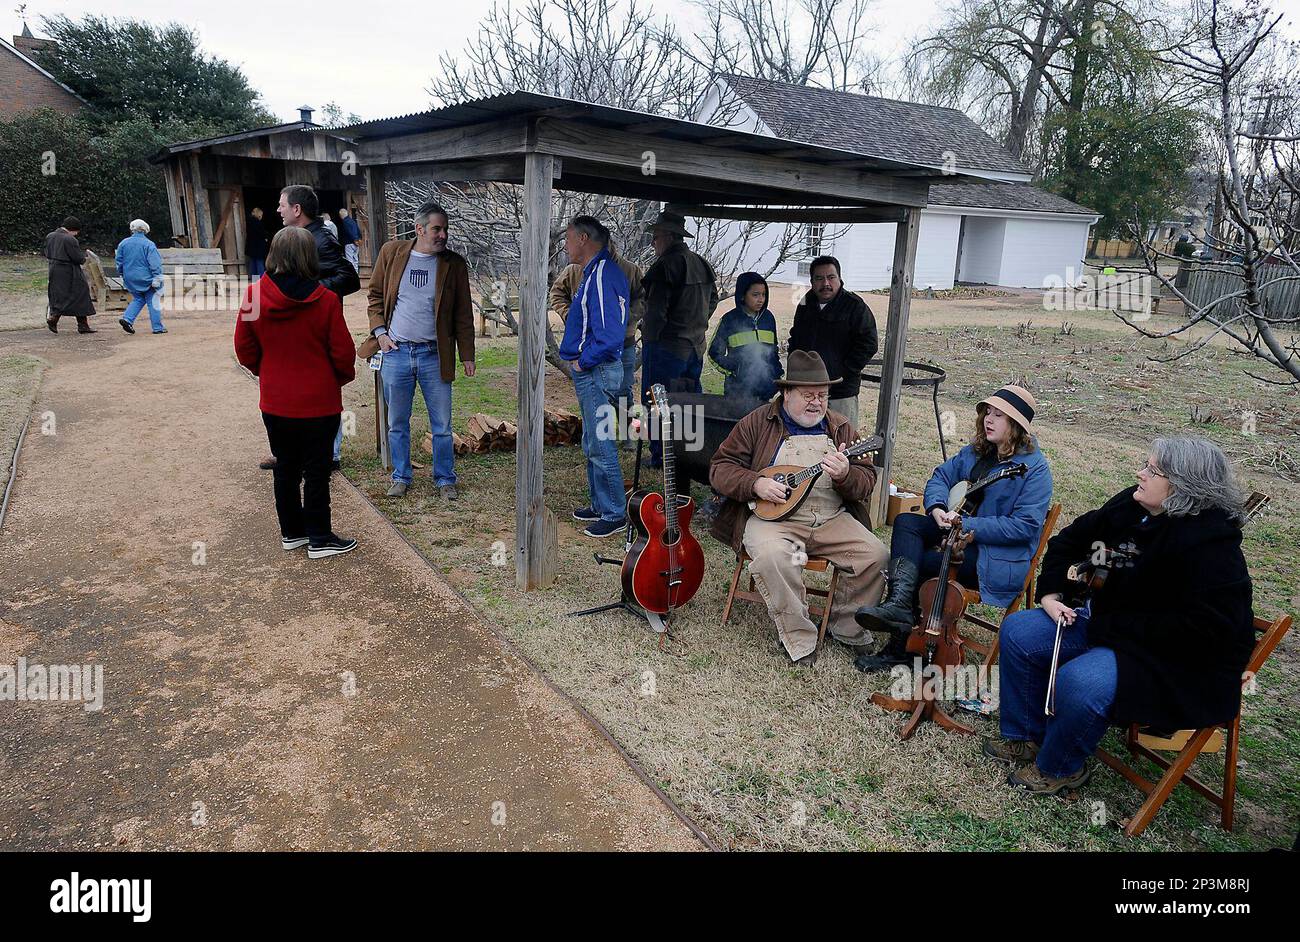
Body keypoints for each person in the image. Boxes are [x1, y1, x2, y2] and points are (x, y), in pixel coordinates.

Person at [983, 437, 1255, 796]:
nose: (1140, 474)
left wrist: (1110, 629)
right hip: (1107, 627)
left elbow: (1205, 632)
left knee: (1081, 680)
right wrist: (1051, 594)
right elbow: (1068, 540)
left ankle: (1060, 767)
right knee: (1020, 631)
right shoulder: (1133, 505)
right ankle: (1027, 736)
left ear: (1183, 486)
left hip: (1170, 661)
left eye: (1152, 470)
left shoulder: (1212, 547)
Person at [854, 385, 1053, 671]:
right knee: (907, 522)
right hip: (957, 535)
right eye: (988, 412)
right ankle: (899, 605)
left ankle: (901, 647)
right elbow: (941, 476)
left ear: (1016, 426)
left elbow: (1023, 527)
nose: (989, 419)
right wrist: (936, 507)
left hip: (992, 555)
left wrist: (965, 524)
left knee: (921, 560)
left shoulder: (1035, 470)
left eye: (999, 415)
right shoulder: (977, 451)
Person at [709, 351, 890, 665]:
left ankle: (845, 627)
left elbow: (866, 480)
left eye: (822, 395)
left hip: (831, 518)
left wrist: (846, 475)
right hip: (774, 520)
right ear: (786, 394)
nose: (816, 403)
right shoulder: (758, 422)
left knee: (876, 556)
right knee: (771, 556)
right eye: (808, 395)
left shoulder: (841, 428)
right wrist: (755, 483)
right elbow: (720, 468)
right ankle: (799, 636)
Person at [234, 226, 358, 558]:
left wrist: (268, 372)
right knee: (317, 470)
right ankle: (320, 536)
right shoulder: (327, 301)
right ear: (309, 257)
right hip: (319, 400)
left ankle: (292, 532)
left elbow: (244, 347)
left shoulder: (252, 297)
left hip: (276, 400)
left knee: (285, 467)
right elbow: (343, 353)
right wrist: (336, 380)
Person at [356, 200, 476, 500]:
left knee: (443, 424)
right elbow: (375, 296)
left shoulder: (454, 264)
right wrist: (381, 334)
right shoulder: (392, 253)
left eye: (445, 229)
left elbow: (463, 314)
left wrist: (467, 355)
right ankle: (401, 475)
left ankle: (445, 478)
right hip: (396, 352)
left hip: (434, 355)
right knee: (397, 421)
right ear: (419, 228)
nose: (442, 235)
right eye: (436, 229)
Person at [263, 185, 361, 472]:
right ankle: (289, 454)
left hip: (320, 328)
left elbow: (349, 278)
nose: (278, 210)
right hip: (295, 331)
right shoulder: (294, 238)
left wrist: (309, 292)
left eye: (282, 205)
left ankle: (330, 457)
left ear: (297, 209)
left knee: (326, 392)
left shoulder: (322, 239)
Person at [559, 216, 630, 538]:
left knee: (601, 444)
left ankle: (615, 513)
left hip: (596, 371)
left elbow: (611, 335)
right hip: (594, 370)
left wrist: (582, 362)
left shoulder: (602, 274)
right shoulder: (595, 272)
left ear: (584, 239)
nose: (565, 245)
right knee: (591, 441)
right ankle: (600, 504)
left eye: (568, 239)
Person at [640, 208, 719, 464]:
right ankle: (687, 452)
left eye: (657, 236)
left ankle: (661, 455)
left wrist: (652, 341)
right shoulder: (701, 263)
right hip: (695, 346)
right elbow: (713, 300)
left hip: (667, 349)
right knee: (690, 402)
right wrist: (698, 323)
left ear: (670, 237)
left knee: (658, 402)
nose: (653, 242)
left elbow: (654, 312)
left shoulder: (665, 266)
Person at [549, 234, 643, 439]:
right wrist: (571, 315)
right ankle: (600, 437)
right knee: (593, 395)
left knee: (623, 389)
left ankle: (627, 434)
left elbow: (641, 298)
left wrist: (623, 318)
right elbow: (556, 293)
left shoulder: (629, 269)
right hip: (586, 344)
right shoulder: (575, 270)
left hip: (622, 342)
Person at [788, 256, 877, 430]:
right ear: (812, 281)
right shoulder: (805, 304)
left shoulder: (854, 306)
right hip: (806, 390)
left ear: (839, 278)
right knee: (805, 438)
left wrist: (842, 372)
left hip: (841, 392)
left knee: (841, 440)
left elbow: (869, 343)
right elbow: (796, 337)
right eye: (819, 278)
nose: (825, 283)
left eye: (831, 277)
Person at [707, 271, 783, 408]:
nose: (761, 299)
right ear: (742, 296)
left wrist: (776, 374)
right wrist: (735, 369)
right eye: (755, 295)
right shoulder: (729, 320)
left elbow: (773, 350)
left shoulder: (768, 318)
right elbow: (713, 353)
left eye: (764, 294)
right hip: (737, 391)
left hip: (765, 391)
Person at [43, 217, 97, 334]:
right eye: (77, 231)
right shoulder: (70, 239)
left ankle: (80, 324)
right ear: (73, 229)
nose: (77, 234)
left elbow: (46, 253)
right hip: (69, 270)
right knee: (80, 293)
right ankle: (57, 319)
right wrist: (83, 259)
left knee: (59, 294)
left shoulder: (50, 236)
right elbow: (77, 258)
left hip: (53, 268)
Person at [114, 219, 166, 335]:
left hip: (130, 278)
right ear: (145, 230)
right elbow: (155, 264)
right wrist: (158, 278)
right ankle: (157, 327)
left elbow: (119, 262)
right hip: (146, 278)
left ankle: (127, 319)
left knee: (138, 298)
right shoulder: (149, 244)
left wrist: (123, 274)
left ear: (132, 229)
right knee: (153, 301)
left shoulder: (123, 243)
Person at [246, 207, 268, 278]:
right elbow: (262, 234)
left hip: (251, 246)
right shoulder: (258, 223)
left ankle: (254, 280)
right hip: (258, 247)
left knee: (253, 263)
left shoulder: (249, 222)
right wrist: (266, 238)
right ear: (259, 215)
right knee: (259, 263)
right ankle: (261, 279)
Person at [338, 208, 362, 272]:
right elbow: (358, 230)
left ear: (340, 215)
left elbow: (349, 232)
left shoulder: (345, 222)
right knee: (355, 260)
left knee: (350, 260)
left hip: (349, 243)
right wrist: (359, 239)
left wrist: (355, 240)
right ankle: (356, 274)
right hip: (356, 243)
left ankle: (352, 275)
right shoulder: (352, 221)